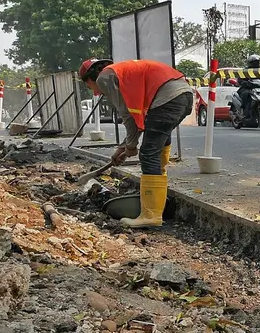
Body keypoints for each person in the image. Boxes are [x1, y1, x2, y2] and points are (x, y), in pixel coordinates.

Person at [79, 58, 193, 228]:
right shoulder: (121, 72)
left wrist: (131, 147)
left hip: (167, 99)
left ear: (90, 78)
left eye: (89, 87)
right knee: (157, 144)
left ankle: (151, 215)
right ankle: (158, 199)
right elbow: (140, 119)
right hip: (183, 95)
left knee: (148, 154)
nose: (96, 91)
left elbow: (127, 114)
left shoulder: (104, 78)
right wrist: (124, 146)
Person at [236, 54, 260, 120]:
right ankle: (245, 112)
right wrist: (244, 83)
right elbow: (240, 80)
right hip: (245, 89)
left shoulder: (258, 71)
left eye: (258, 62)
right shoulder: (245, 71)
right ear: (251, 63)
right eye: (256, 62)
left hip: (256, 89)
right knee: (247, 95)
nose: (257, 64)